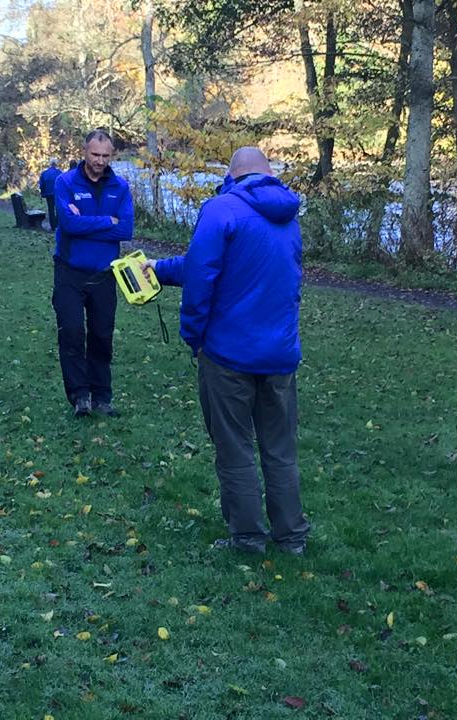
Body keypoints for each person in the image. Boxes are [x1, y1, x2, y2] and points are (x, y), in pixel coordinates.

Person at [144, 147, 310, 555]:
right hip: (280, 357)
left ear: (232, 174)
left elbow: (203, 278)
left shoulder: (221, 209)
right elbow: (212, 265)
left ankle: (248, 538)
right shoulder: (290, 220)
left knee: (234, 448)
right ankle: (291, 537)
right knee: (280, 450)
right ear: (268, 174)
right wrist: (159, 268)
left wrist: (193, 336)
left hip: (229, 357)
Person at [51, 130, 133, 418]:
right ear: (84, 151)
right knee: (72, 333)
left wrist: (87, 223)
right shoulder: (65, 182)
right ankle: (79, 396)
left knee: (101, 335)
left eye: (105, 155)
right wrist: (105, 222)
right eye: (94, 154)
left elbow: (126, 230)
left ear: (112, 156)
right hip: (69, 272)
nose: (99, 161)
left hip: (104, 274)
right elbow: (69, 225)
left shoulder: (120, 187)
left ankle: (102, 396)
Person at [38, 158, 61, 231]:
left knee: (50, 209)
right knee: (58, 209)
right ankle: (57, 224)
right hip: (57, 193)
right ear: (56, 164)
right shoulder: (60, 173)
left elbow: (41, 185)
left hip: (49, 194)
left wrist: (42, 193)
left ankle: (53, 226)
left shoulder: (44, 173)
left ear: (50, 164)